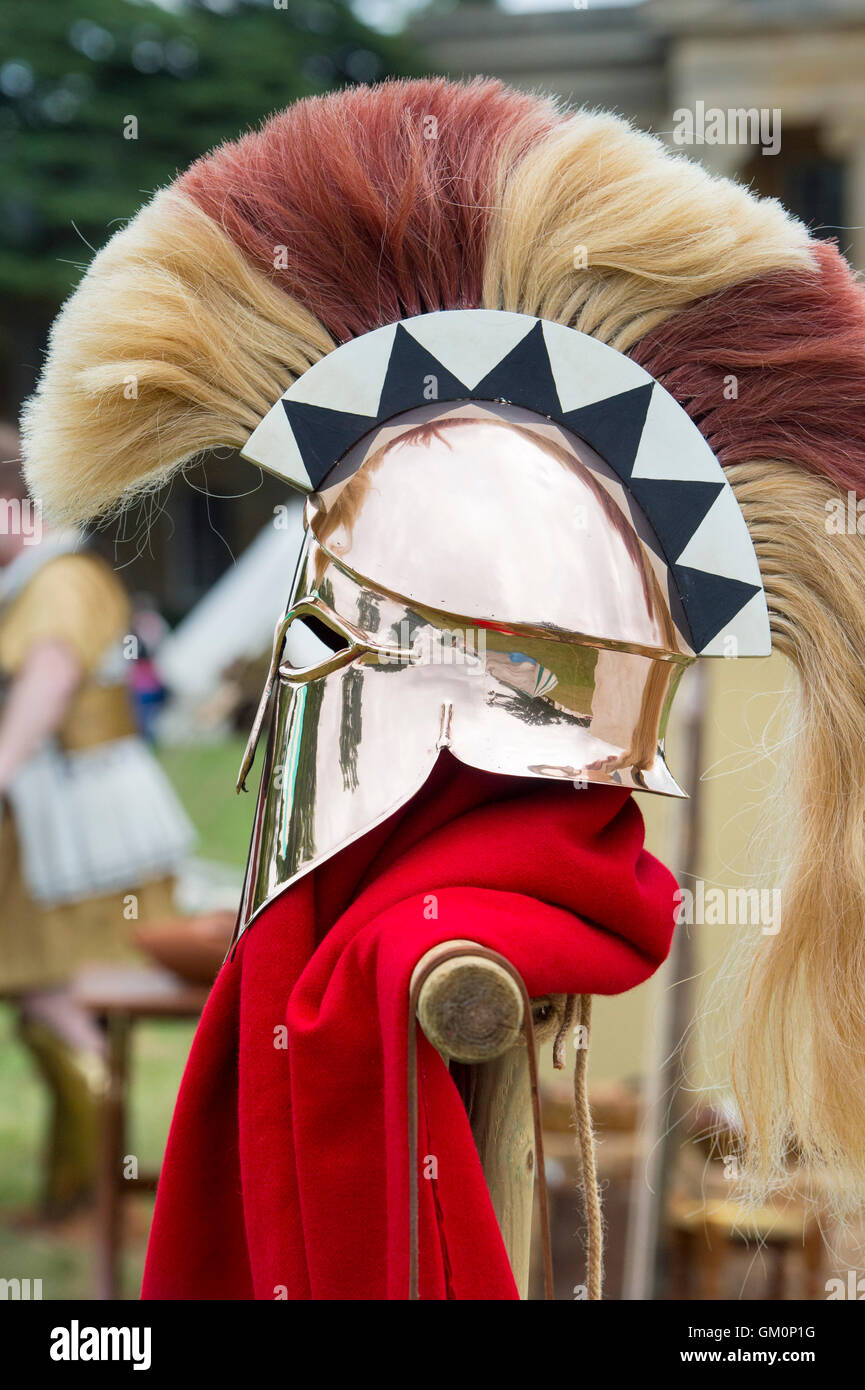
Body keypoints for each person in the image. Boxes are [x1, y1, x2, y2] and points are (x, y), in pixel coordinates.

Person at [20, 78, 865, 1297]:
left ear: (465, 686)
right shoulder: (359, 945)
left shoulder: (391, 933)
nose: (284, 699)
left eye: (331, 630)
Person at [0, 424, 194, 1214]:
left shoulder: (59, 582)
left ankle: (87, 1201)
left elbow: (46, 683)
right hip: (64, 818)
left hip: (78, 828)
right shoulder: (49, 576)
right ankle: (77, 1192)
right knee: (49, 996)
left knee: (59, 995)